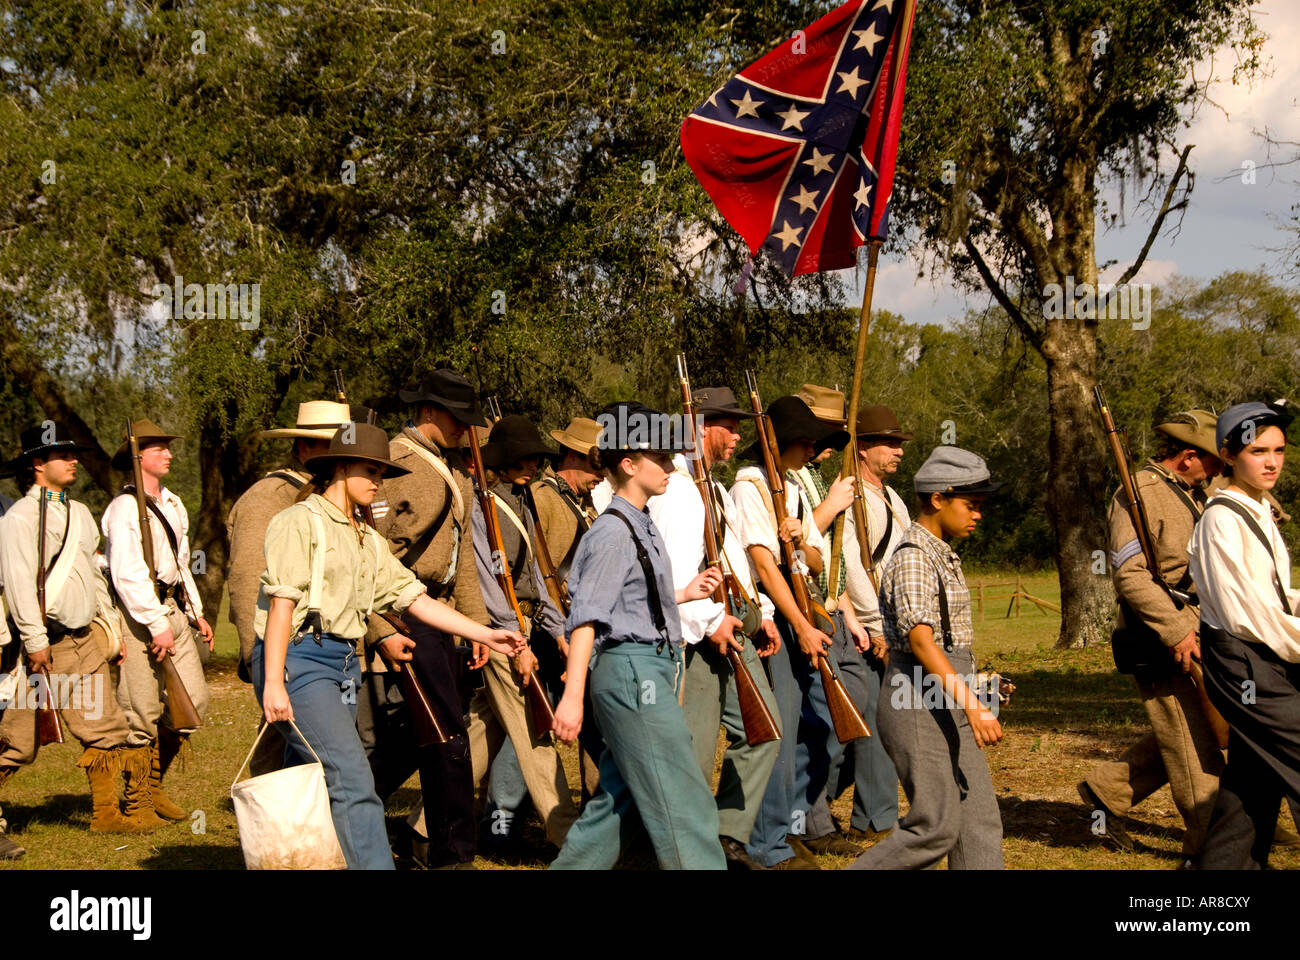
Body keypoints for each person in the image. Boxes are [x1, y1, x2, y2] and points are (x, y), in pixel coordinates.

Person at [253, 422, 525, 869]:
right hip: (298, 661)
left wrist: (484, 633)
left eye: (382, 473)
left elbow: (413, 598)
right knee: (352, 779)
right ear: (339, 467)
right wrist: (275, 683)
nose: (378, 482)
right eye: (369, 470)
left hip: (341, 663)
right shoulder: (299, 521)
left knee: (309, 781)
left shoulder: (366, 538)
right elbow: (282, 603)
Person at [550, 402, 726, 870]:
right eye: (661, 459)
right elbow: (586, 619)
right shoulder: (613, 532)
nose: (671, 467)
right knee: (685, 802)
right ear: (628, 465)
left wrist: (684, 592)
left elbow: (630, 595)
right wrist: (571, 697)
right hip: (631, 671)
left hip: (644, 667)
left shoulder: (637, 520)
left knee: (618, 804)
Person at [1078, 410, 1232, 859]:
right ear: (1188, 457)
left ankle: (1107, 791)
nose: (1219, 470)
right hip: (1163, 637)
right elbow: (1131, 576)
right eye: (1215, 462)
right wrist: (1178, 630)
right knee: (1192, 744)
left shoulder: (1193, 492)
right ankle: (1211, 847)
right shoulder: (1140, 492)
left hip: (1201, 630)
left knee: (1196, 731)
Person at [848, 446, 1005, 870]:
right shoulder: (915, 556)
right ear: (938, 499)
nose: (978, 515)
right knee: (934, 825)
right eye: (970, 505)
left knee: (978, 821)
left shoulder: (939, 551)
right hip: (915, 704)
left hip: (947, 698)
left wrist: (975, 687)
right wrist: (974, 706)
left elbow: (949, 643)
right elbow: (921, 643)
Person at [646, 385, 783, 870]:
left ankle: (725, 834)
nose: (737, 436)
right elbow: (673, 575)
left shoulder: (714, 490)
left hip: (732, 626)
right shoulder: (677, 491)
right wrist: (710, 621)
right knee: (695, 754)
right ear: (701, 426)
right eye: (729, 425)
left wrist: (761, 612)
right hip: (699, 636)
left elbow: (730, 559)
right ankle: (682, 848)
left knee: (764, 731)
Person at [730, 395, 867, 868]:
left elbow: (815, 558)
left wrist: (796, 536)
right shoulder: (751, 486)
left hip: (805, 616)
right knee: (781, 737)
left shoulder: (791, 487)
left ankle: (792, 825)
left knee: (824, 722)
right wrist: (802, 626)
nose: (814, 451)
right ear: (785, 441)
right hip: (780, 621)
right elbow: (765, 570)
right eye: (807, 441)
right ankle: (767, 844)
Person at [366, 369, 493, 868]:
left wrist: (477, 624)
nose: (466, 429)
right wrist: (379, 629)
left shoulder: (449, 471)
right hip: (405, 614)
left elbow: (461, 559)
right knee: (444, 737)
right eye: (457, 418)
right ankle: (449, 851)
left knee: (436, 731)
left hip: (440, 615)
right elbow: (368, 557)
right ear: (427, 413)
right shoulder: (396, 465)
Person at [0, 423, 145, 855]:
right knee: (17, 743)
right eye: (62, 455)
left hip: (86, 640)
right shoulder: (19, 519)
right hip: (43, 647)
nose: (74, 460)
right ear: (37, 464)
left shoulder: (80, 513)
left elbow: (92, 576)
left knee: (104, 726)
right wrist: (34, 640)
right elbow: (20, 584)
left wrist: (110, 627)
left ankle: (107, 815)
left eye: (73, 453)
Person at [1188, 401, 1300, 869]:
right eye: (1258, 451)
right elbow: (1250, 615)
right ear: (1230, 454)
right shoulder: (1222, 520)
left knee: (1253, 782)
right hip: (1243, 662)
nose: (1272, 461)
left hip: (1265, 656)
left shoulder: (1256, 510)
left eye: (1279, 450)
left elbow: (1274, 596)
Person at [466, 414, 578, 852]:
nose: (532, 464)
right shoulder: (486, 507)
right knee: (537, 736)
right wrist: (516, 641)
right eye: (524, 457)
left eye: (535, 457)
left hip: (524, 628)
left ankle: (424, 827)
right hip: (502, 634)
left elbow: (535, 576)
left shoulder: (521, 503)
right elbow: (489, 581)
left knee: (483, 736)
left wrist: (559, 631)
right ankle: (570, 838)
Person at [225, 400, 354, 775]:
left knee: (305, 745)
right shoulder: (269, 497)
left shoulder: (329, 495)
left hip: (323, 648)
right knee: (286, 742)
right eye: (329, 445)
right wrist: (261, 657)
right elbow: (249, 578)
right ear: (302, 449)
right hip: (285, 647)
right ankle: (272, 826)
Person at [101, 419, 213, 827]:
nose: (167, 454)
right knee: (142, 710)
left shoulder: (174, 504)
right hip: (138, 617)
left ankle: (152, 785)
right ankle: (137, 802)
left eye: (167, 447)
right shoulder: (124, 509)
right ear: (138, 457)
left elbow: (181, 565)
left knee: (193, 704)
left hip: (173, 610)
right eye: (159, 448)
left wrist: (195, 612)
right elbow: (127, 574)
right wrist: (154, 623)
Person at [838, 404, 911, 843]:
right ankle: (873, 817)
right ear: (862, 449)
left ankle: (872, 817)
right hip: (866, 629)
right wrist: (874, 623)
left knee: (881, 722)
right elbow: (850, 564)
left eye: (899, 443)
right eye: (889, 442)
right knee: (866, 723)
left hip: (889, 626)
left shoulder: (889, 497)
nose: (897, 450)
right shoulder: (852, 496)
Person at [528, 416, 604, 795]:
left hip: (572, 629)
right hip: (552, 633)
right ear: (573, 456)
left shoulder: (576, 500)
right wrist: (559, 631)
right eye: (595, 465)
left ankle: (598, 801)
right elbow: (542, 575)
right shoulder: (548, 500)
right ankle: (502, 812)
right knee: (530, 724)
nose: (602, 475)